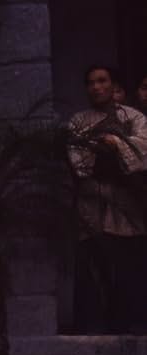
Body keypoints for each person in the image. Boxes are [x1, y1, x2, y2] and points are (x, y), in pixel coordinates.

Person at [69, 66, 147, 334]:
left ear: (113, 85)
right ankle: (94, 327)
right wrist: (102, 150)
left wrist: (116, 144)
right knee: (94, 268)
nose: (96, 87)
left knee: (128, 268)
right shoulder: (78, 120)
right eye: (90, 82)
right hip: (92, 203)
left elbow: (143, 149)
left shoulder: (134, 117)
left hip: (127, 204)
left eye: (102, 81)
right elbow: (78, 160)